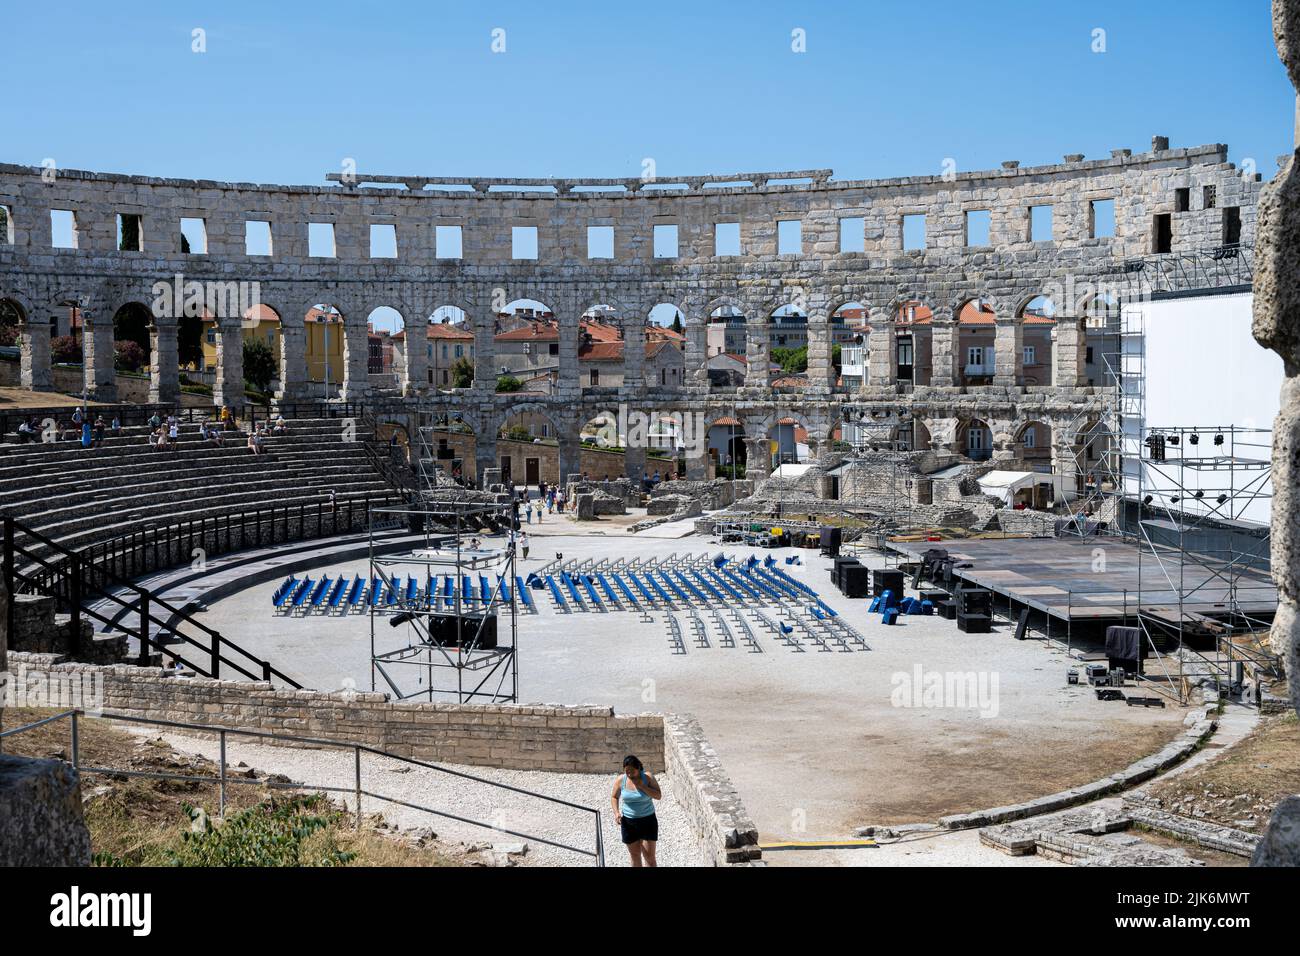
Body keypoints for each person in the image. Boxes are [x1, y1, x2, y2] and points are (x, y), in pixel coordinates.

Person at [611, 755, 661, 867]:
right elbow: (614, 797)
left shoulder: (648, 777)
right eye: (626, 771)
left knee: (649, 857)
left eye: (632, 771)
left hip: (647, 821)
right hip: (628, 822)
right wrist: (616, 812)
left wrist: (643, 787)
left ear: (638, 768)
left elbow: (658, 795)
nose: (629, 774)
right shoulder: (621, 780)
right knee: (634, 855)